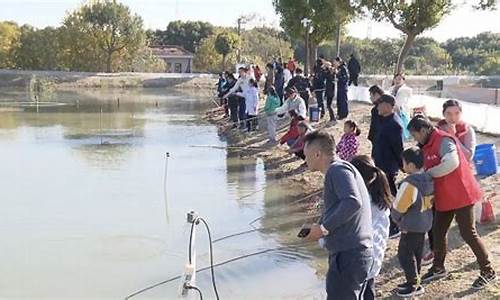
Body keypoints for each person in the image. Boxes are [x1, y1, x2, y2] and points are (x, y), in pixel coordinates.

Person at [407, 115, 496, 289]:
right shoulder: (425, 144)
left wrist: (429, 174)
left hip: (461, 193)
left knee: (468, 232)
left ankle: (488, 270)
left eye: (415, 134)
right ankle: (438, 267)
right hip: (444, 194)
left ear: (424, 130)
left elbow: (451, 163)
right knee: (438, 231)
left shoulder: (443, 140)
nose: (414, 138)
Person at [302, 130, 373, 300]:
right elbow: (341, 206)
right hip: (354, 254)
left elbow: (352, 202)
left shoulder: (337, 170)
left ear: (317, 154)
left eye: (306, 155)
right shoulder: (341, 169)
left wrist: (323, 229)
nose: (305, 160)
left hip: (349, 255)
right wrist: (317, 226)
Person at [391, 147, 434, 298]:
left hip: (410, 225)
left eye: (403, 162)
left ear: (410, 165)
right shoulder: (429, 179)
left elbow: (399, 207)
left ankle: (413, 284)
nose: (402, 164)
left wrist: (396, 219)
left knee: (404, 254)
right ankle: (415, 281)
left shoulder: (409, 184)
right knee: (417, 253)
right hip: (424, 224)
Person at [350, 155, 392, 300]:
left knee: (360, 294)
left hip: (364, 260)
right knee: (368, 291)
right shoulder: (380, 196)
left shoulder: (362, 202)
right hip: (373, 258)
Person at [372, 94, 404, 239]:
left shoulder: (394, 125)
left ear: (388, 105)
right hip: (379, 163)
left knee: (390, 196)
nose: (377, 106)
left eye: (380, 104)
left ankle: (396, 226)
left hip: (388, 167)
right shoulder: (381, 120)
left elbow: (398, 149)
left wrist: (402, 165)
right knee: (384, 195)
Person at [389, 73, 413, 140]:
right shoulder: (391, 89)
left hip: (402, 110)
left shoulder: (406, 90)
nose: (397, 81)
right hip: (393, 109)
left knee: (403, 125)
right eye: (396, 79)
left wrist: (399, 108)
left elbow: (405, 101)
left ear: (403, 80)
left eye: (399, 79)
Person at [367, 85, 385, 156]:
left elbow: (376, 126)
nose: (370, 98)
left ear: (377, 95)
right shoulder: (387, 106)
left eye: (371, 96)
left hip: (379, 139)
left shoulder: (377, 109)